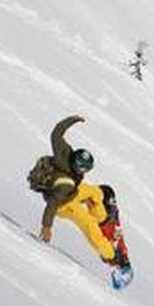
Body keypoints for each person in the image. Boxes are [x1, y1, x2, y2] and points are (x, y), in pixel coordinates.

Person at [28, 115, 129, 271]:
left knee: (94, 192)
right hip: (64, 204)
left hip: (73, 191)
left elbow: (56, 133)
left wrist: (71, 120)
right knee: (90, 225)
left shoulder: (65, 154)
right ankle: (111, 255)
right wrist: (46, 227)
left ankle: (103, 219)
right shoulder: (65, 185)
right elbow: (53, 203)